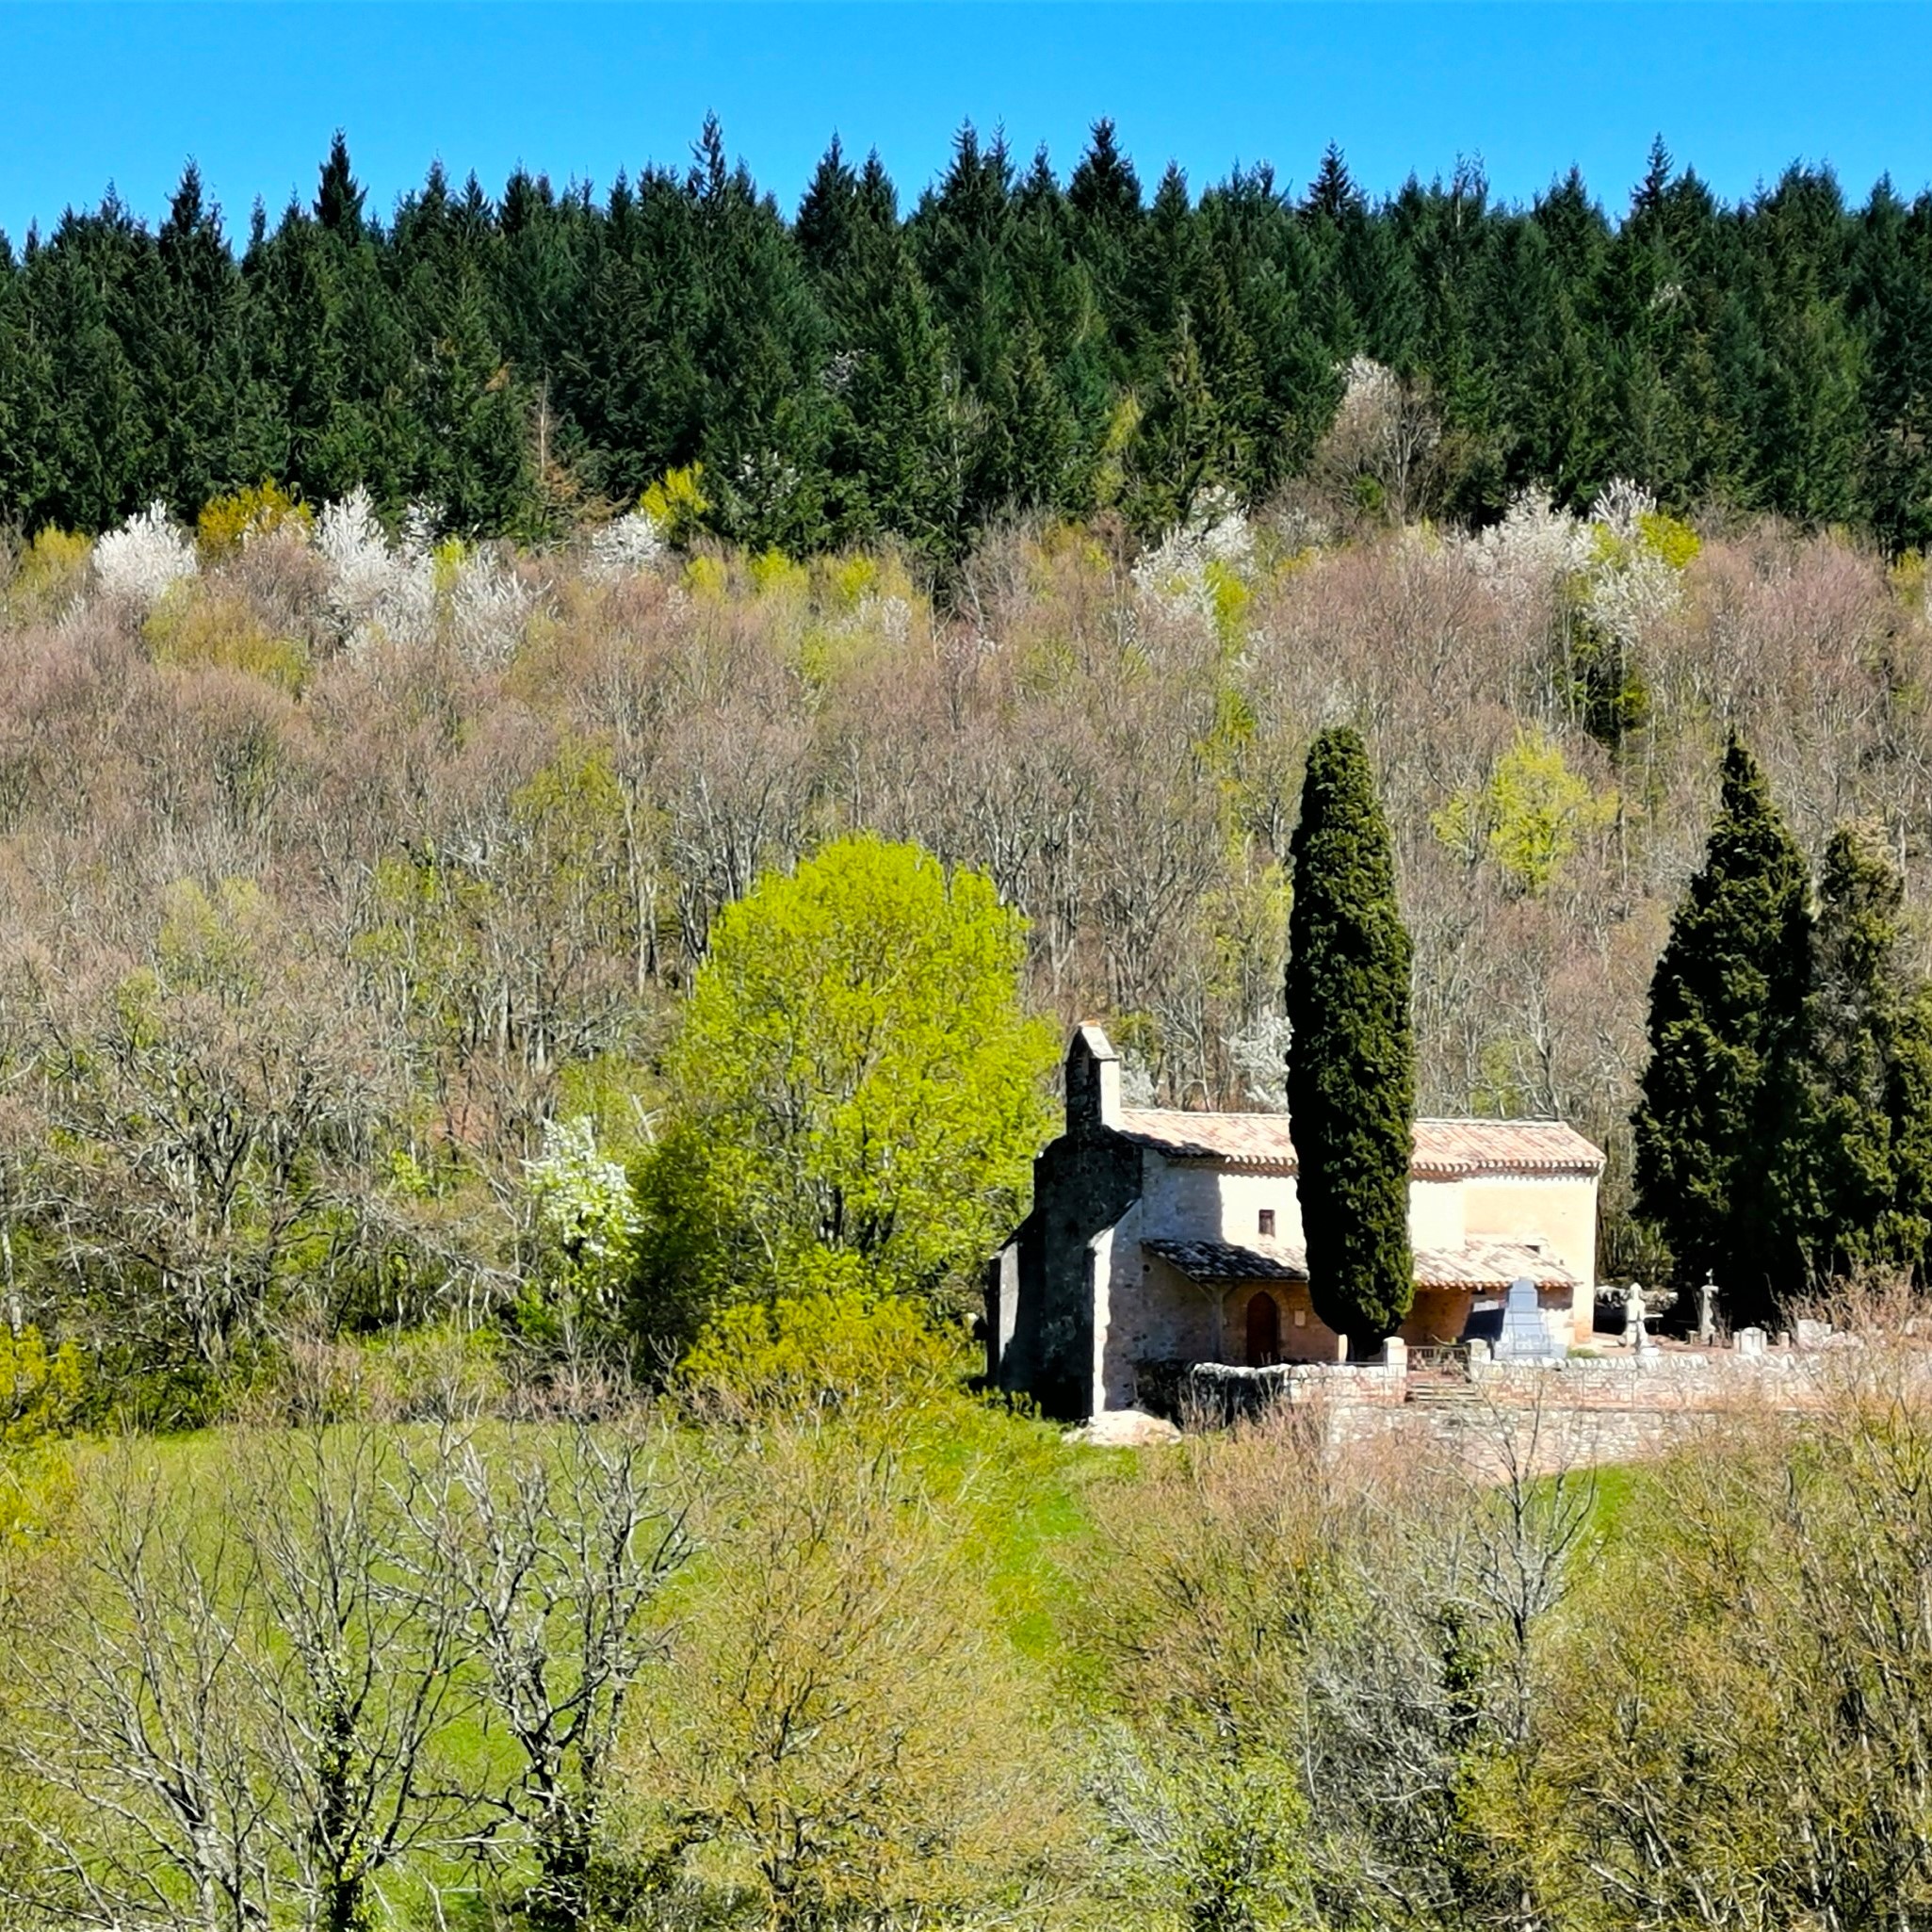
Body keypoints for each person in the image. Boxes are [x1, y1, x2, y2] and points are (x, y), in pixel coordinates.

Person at [1624, 1279, 1649, 1353]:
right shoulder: (1641, 1303)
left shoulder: (1629, 1303)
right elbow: (1641, 1317)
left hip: (1633, 1324)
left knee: (1636, 1331)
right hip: (1637, 1323)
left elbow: (1628, 1316)